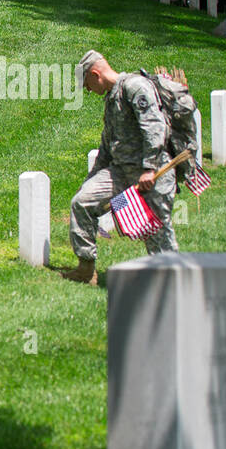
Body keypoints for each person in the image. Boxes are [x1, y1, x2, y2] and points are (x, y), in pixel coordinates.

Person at [63, 50, 177, 284]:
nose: (88, 91)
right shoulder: (112, 97)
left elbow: (154, 128)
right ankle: (86, 267)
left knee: (156, 230)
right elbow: (108, 143)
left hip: (151, 176)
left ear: (95, 74)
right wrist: (92, 178)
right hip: (122, 177)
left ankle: (170, 282)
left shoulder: (136, 87)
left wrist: (149, 168)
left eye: (87, 85)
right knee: (82, 202)